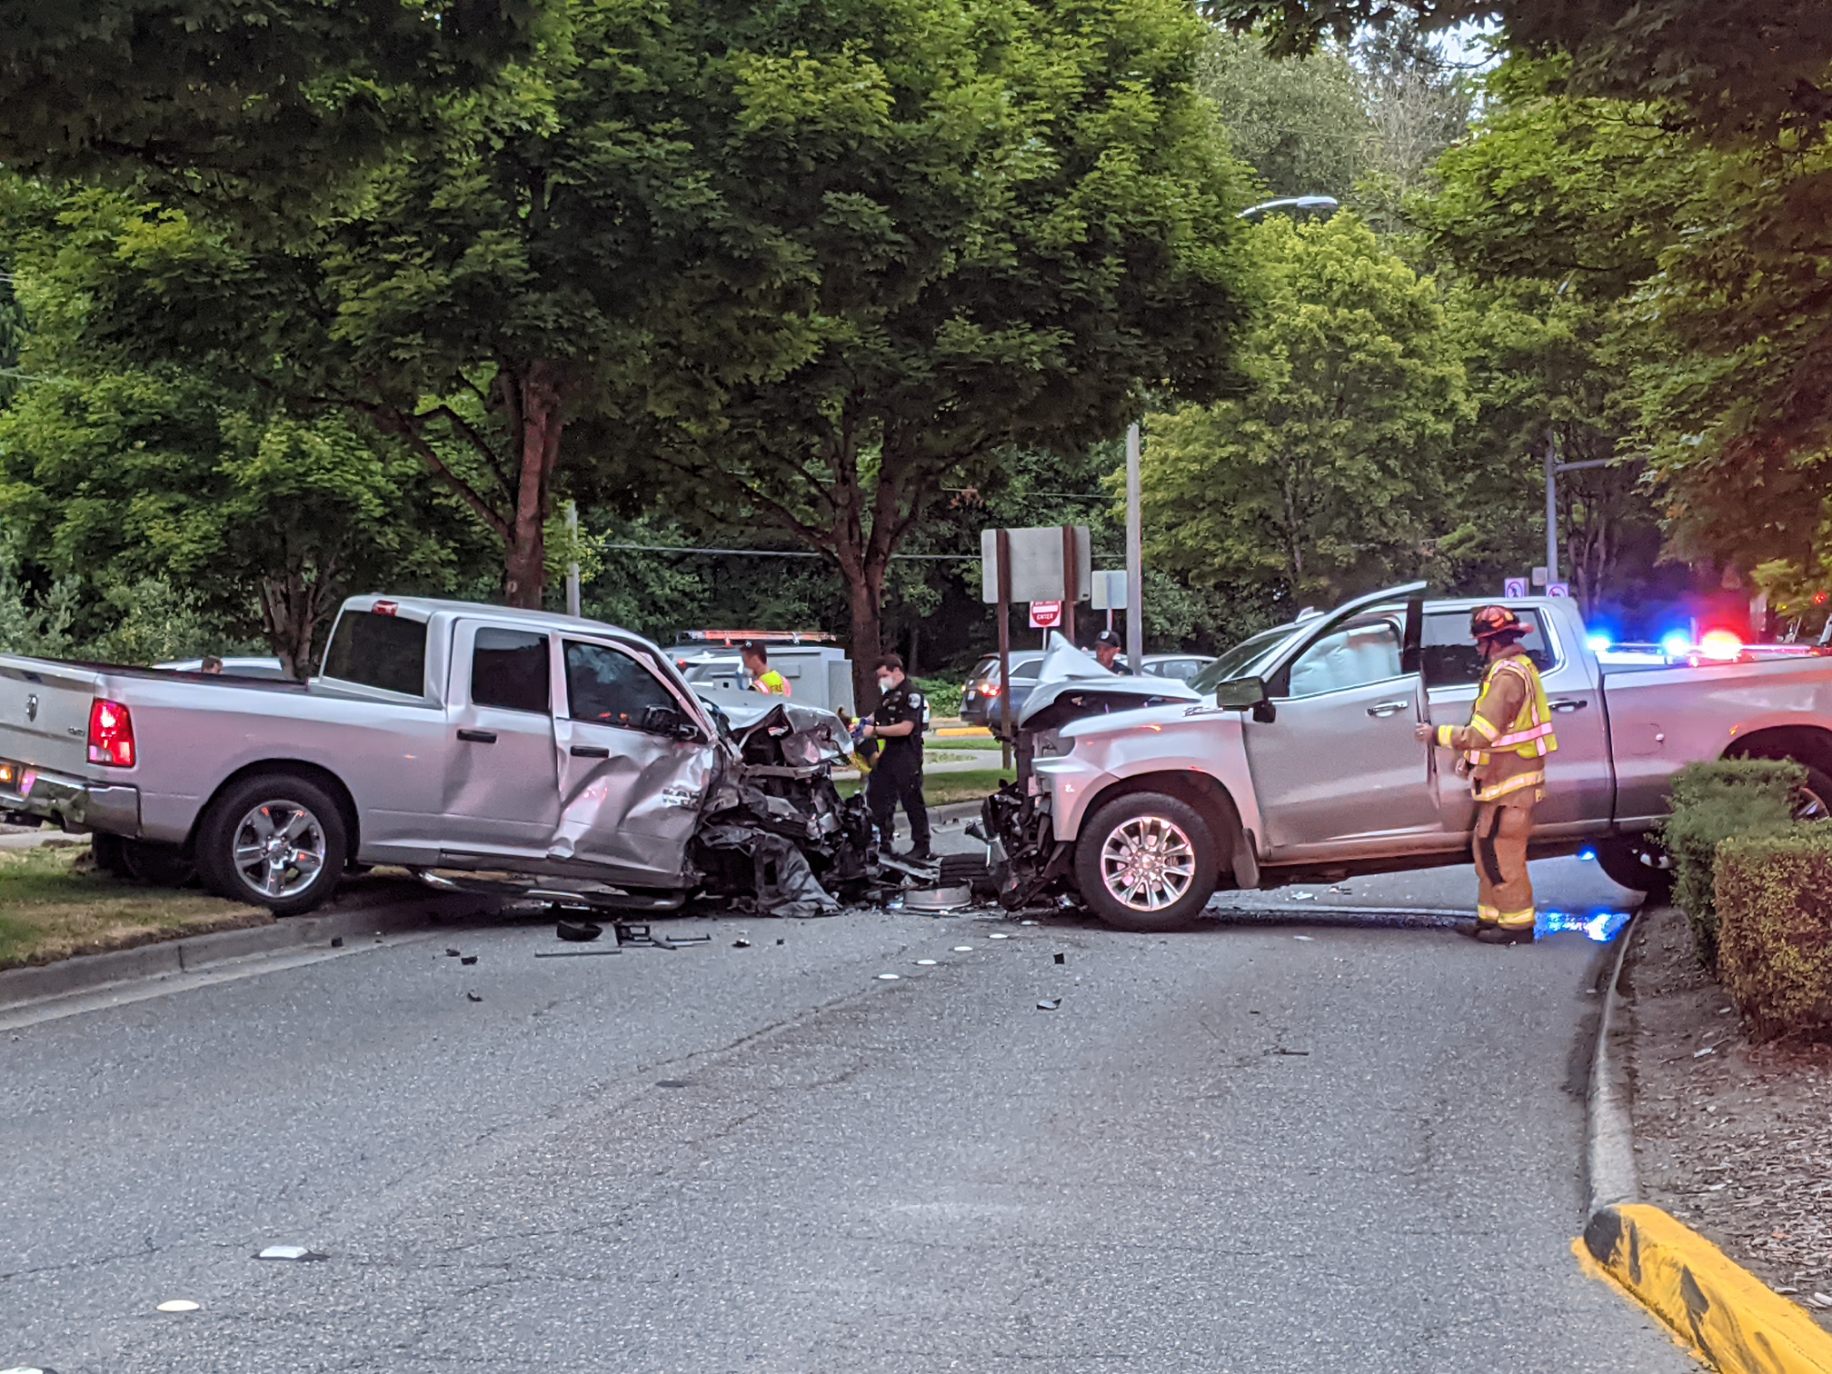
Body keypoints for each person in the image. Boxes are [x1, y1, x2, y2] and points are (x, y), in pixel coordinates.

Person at [1416, 605, 1558, 945]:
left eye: (1481, 642)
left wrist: (1436, 734)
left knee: (1501, 854)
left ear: (1495, 642)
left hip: (1512, 786)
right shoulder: (1511, 669)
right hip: (1501, 784)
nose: (1478, 649)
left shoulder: (1508, 677)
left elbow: (1482, 733)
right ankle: (1490, 919)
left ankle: (1516, 927)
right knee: (1486, 850)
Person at [860, 653, 931, 861]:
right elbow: (875, 717)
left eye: (884, 675)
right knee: (878, 798)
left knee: (911, 800)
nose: (881, 680)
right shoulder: (887, 696)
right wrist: (859, 724)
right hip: (887, 754)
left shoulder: (912, 695)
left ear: (897, 671)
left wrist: (874, 731)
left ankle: (922, 844)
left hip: (906, 754)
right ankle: (883, 841)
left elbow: (905, 728)